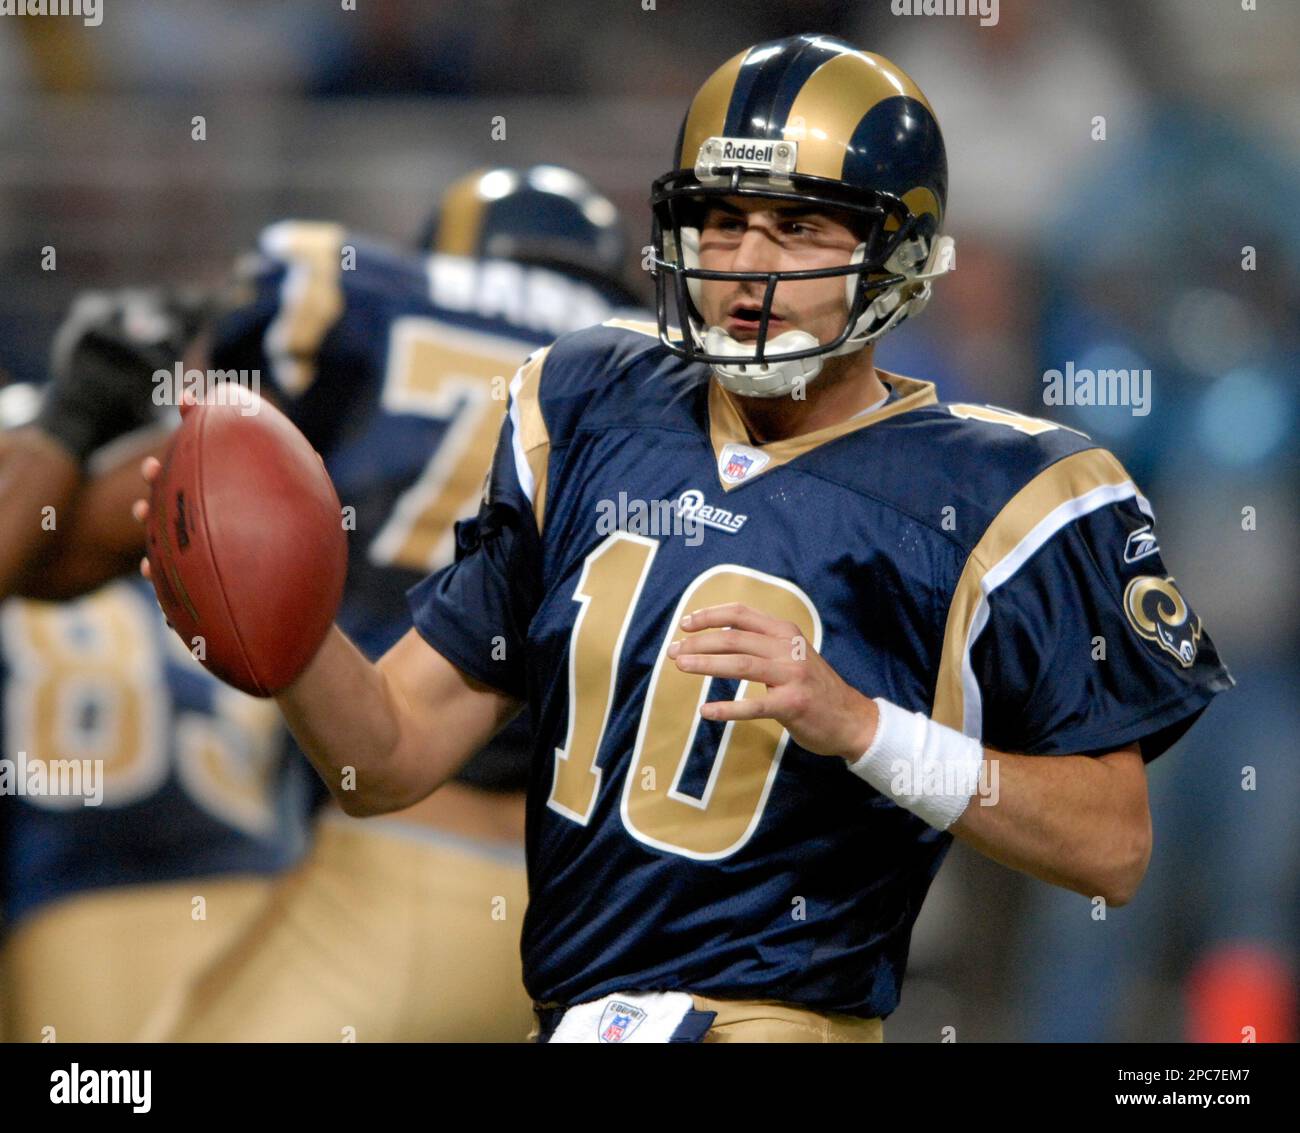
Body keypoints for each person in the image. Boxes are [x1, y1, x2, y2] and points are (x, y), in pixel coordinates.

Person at [138, 34, 1234, 1043]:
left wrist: (863, 728)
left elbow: (1112, 846)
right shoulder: (587, 402)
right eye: (722, 219)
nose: (746, 261)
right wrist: (279, 631)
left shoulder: (1000, 487)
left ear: (895, 254)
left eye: (797, 225)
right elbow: (381, 758)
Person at [140, 165, 644, 1041]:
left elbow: (204, 426)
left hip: (411, 866)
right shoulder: (666, 375)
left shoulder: (342, 283)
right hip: (621, 913)